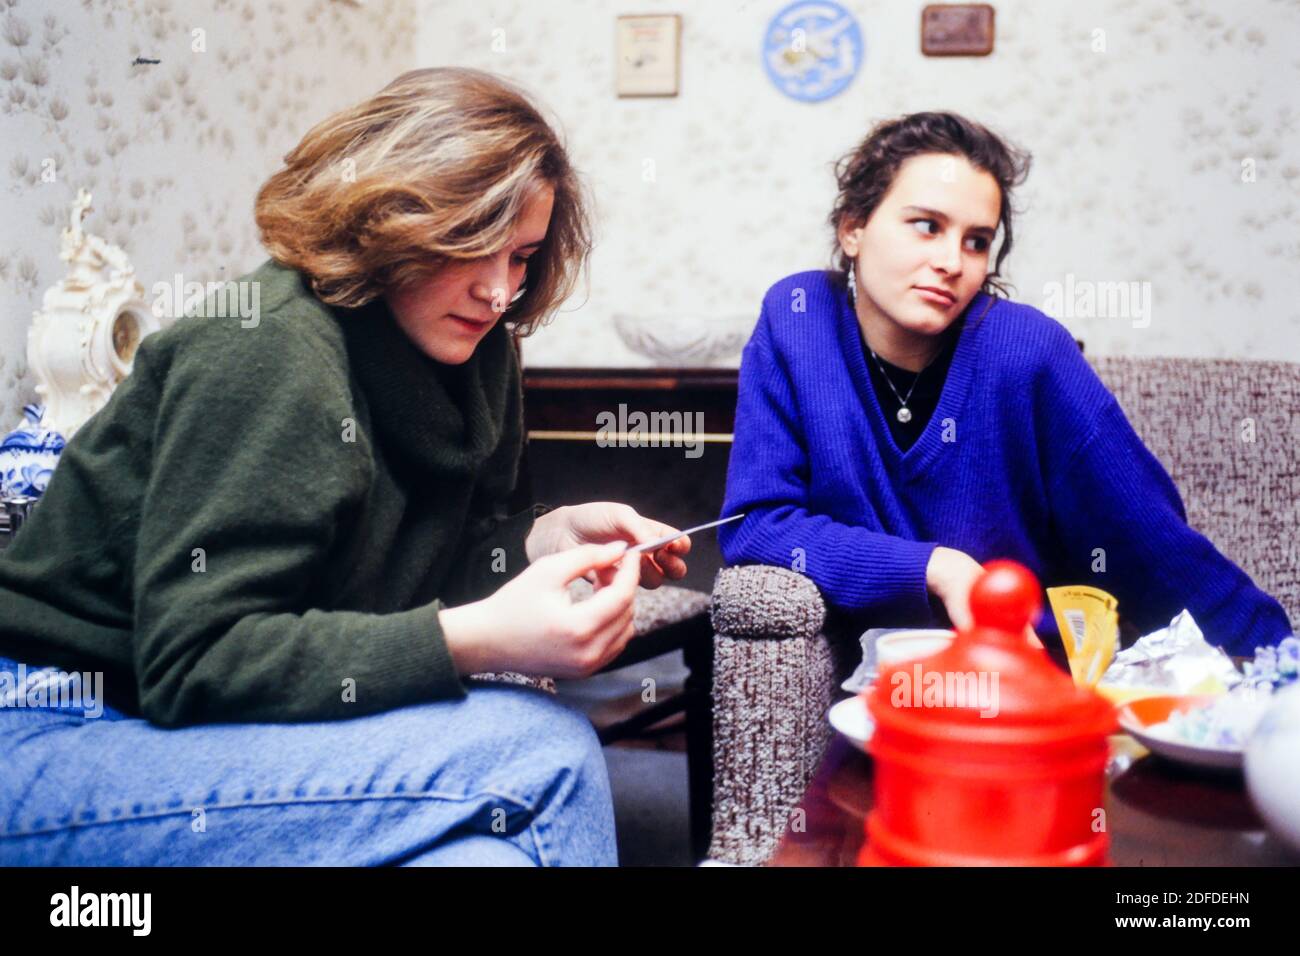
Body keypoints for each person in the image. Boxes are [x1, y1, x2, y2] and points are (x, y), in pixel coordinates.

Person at [0, 67, 691, 866]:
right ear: (387, 219)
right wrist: (477, 640)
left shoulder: (478, 352)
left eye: (523, 256)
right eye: (469, 247)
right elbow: (194, 662)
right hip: (62, 719)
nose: (501, 291)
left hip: (195, 723)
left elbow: (429, 565)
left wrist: (543, 540)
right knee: (542, 748)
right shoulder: (269, 348)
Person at [719, 111, 1291, 656]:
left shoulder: (1028, 352)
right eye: (926, 226)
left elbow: (1151, 545)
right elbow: (757, 526)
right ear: (853, 229)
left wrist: (1277, 668)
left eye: (976, 241)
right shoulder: (797, 319)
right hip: (876, 687)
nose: (951, 261)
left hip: (1027, 677)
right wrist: (936, 568)